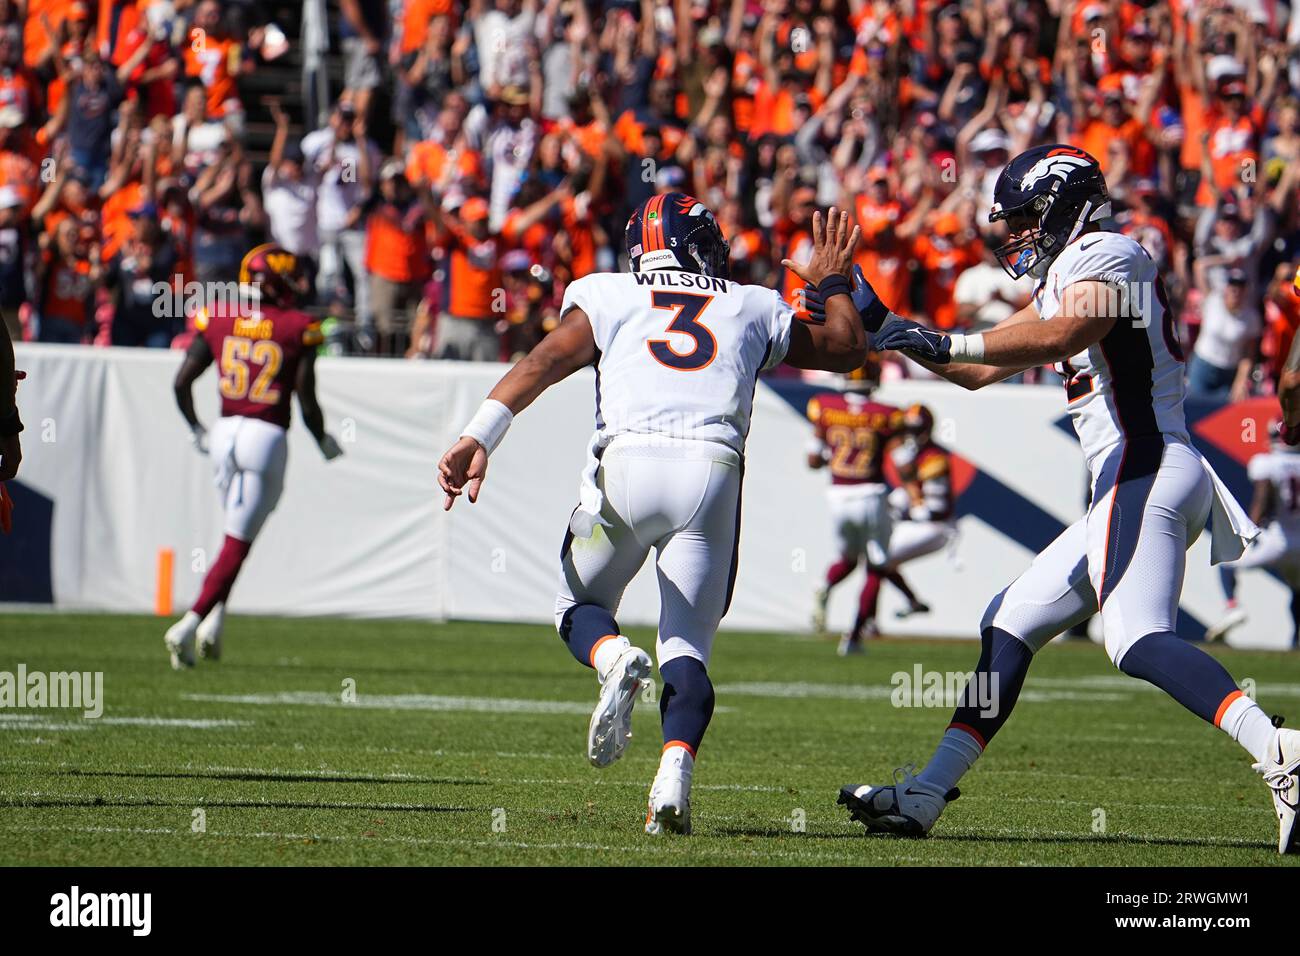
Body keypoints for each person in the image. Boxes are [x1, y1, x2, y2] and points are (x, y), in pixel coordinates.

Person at [850, 144, 1299, 855]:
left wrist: (936, 337)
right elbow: (975, 372)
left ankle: (1279, 749)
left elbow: (1067, 331)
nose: (1018, 232)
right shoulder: (1068, 270)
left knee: (1134, 637)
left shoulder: (1110, 253)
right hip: (1135, 472)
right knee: (1011, 618)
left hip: (1144, 462)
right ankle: (929, 791)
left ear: (1066, 205)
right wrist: (884, 322)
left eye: (1028, 215)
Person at [436, 194, 868, 835]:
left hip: (627, 465)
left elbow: (543, 361)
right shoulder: (750, 302)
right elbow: (847, 347)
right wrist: (832, 279)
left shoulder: (607, 292)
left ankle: (612, 657)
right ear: (700, 247)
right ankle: (673, 778)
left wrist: (479, 435)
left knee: (577, 607)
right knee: (687, 646)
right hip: (710, 473)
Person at [165, 244, 344, 668]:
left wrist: (196, 428)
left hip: (225, 432)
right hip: (265, 435)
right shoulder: (298, 325)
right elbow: (306, 399)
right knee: (237, 543)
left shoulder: (219, 316)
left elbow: (181, 382)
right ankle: (188, 625)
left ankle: (213, 625)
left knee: (232, 539)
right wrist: (323, 440)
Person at [804, 353, 905, 655]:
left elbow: (812, 460)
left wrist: (832, 455)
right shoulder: (887, 414)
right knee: (877, 565)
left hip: (837, 496)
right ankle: (854, 636)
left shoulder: (824, 407)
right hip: (871, 494)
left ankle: (824, 585)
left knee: (847, 559)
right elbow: (903, 463)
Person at [1206, 420, 1300, 648]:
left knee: (1227, 564)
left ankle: (1233, 607)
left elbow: (1263, 498)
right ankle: (1296, 640)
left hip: (1278, 540)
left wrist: (1250, 530)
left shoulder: (1267, 464)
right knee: (1297, 589)